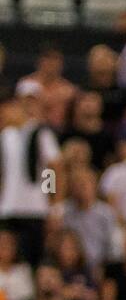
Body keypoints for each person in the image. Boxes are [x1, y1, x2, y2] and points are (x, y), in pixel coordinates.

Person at [0, 79, 62, 263]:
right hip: (8, 208)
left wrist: (52, 201)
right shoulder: (6, 135)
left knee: (31, 258)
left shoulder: (40, 133)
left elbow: (51, 169)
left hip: (34, 209)